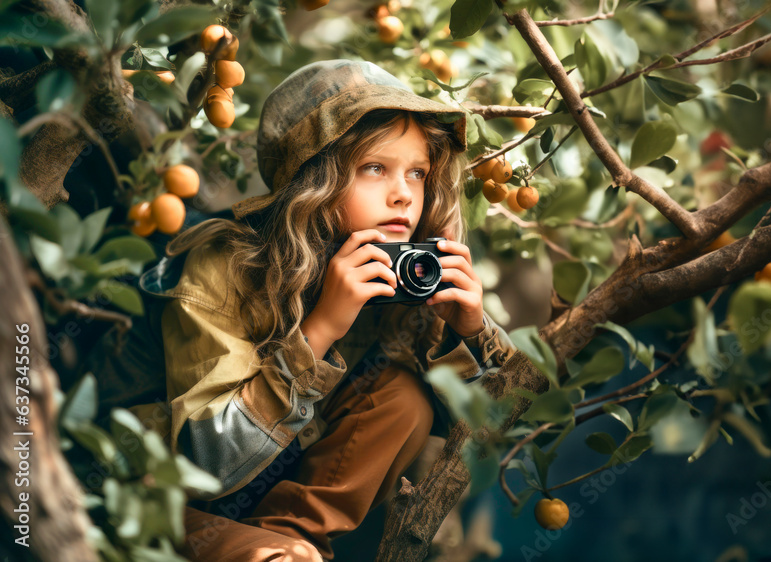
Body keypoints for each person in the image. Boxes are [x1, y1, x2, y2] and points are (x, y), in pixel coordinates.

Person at [83, 59, 516, 561]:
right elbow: (206, 465)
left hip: (271, 507)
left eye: (417, 172)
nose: (403, 193)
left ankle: (294, 539)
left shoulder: (408, 274)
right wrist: (321, 330)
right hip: (150, 494)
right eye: (375, 168)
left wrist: (472, 333)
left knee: (405, 397)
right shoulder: (226, 265)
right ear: (316, 178)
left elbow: (504, 438)